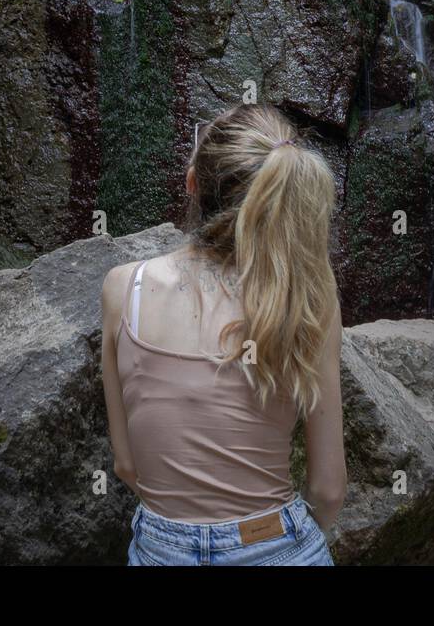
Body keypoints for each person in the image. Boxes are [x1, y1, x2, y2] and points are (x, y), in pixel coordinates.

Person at [101, 103, 346, 566]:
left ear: (193, 184)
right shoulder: (309, 300)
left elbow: (127, 465)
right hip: (280, 544)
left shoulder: (123, 289)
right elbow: (328, 489)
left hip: (161, 549)